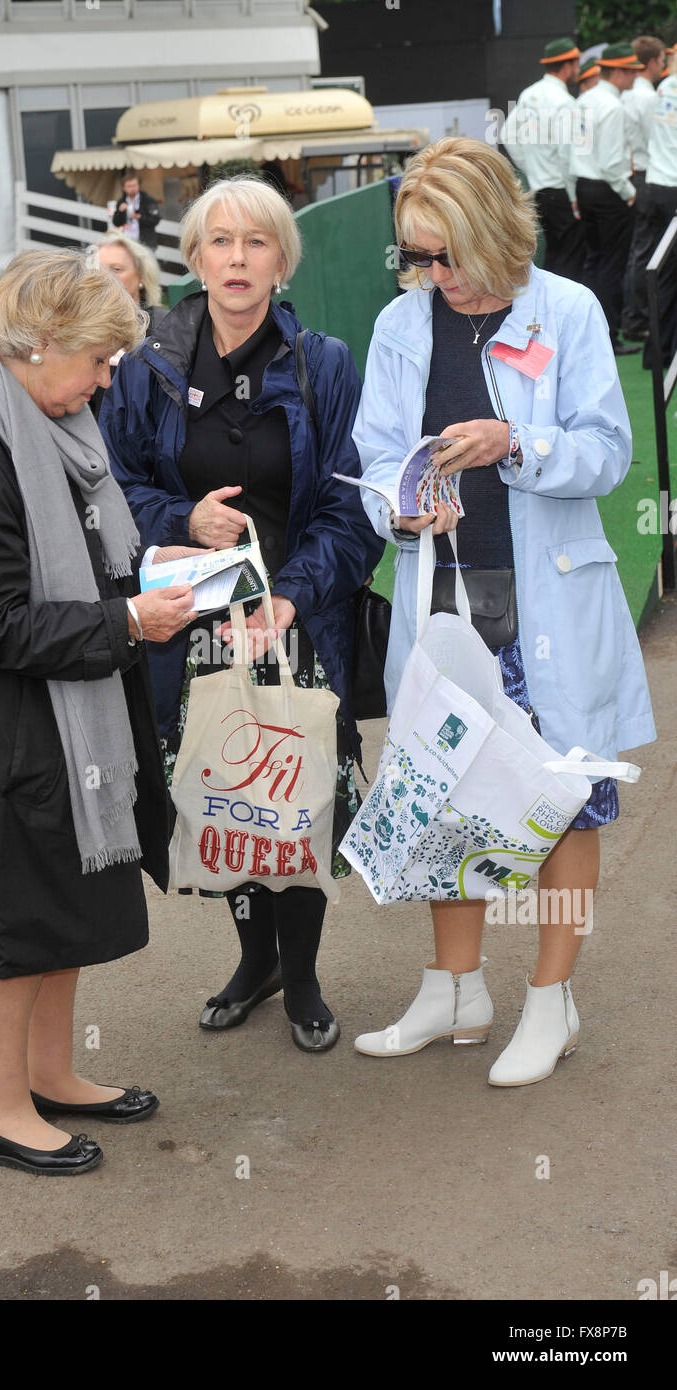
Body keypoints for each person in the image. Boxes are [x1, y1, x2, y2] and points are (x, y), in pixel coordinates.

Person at [351, 137, 656, 1088]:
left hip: (545, 601)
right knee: (444, 791)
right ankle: (454, 989)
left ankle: (549, 999)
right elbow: (372, 458)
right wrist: (395, 507)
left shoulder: (565, 311)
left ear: (494, 236)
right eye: (415, 256)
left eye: (445, 255)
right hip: (443, 599)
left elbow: (607, 453)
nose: (431, 276)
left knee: (563, 802)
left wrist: (515, 442)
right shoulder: (403, 325)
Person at [0, 249, 204, 1176]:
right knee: (9, 917)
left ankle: (51, 1074)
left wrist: (152, 581)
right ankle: (0, 1111)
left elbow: (84, 561)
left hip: (61, 712)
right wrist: (128, 622)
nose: (107, 379)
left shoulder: (36, 420)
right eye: (98, 360)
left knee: (63, 898)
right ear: (35, 346)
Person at [102, 176, 384, 1053]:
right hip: (190, 627)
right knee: (226, 799)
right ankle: (252, 958)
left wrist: (293, 595)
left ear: (279, 260)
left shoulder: (322, 362)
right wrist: (183, 518)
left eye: (255, 242)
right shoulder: (148, 361)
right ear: (193, 258)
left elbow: (353, 508)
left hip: (295, 625)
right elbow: (110, 492)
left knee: (295, 799)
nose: (235, 258)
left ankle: (298, 975)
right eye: (218, 241)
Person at [571, 42, 644, 355]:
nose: (634, 77)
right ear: (617, 71)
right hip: (608, 190)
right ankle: (608, 337)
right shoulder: (612, 107)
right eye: (631, 71)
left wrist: (573, 190)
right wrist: (630, 194)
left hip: (586, 188)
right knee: (610, 267)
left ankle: (592, 334)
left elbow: (573, 151)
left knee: (595, 263)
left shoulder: (584, 100)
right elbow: (613, 162)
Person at [502, 37, 586, 281]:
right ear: (568, 65)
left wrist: (531, 168)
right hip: (561, 190)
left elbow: (508, 133)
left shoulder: (529, 94)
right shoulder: (564, 102)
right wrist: (573, 198)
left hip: (540, 189)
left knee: (556, 257)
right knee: (569, 260)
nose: (578, 70)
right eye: (577, 64)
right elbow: (566, 153)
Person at [621, 36, 668, 340]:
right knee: (647, 251)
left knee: (638, 251)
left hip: (635, 173)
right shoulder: (649, 97)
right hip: (648, 174)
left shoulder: (625, 95)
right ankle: (639, 318)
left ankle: (634, 317)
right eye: (663, 60)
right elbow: (662, 139)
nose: (664, 66)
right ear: (651, 63)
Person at [89, 232, 167, 335]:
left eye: (116, 269)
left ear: (141, 275)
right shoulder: (79, 324)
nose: (104, 276)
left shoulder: (165, 324)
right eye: (98, 269)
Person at [112, 171, 160, 251]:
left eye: (134, 185)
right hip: (127, 242)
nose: (132, 188)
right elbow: (116, 223)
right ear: (123, 188)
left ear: (139, 186)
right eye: (129, 186)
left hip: (146, 242)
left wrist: (139, 217)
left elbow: (156, 219)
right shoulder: (121, 202)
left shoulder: (148, 200)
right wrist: (120, 212)